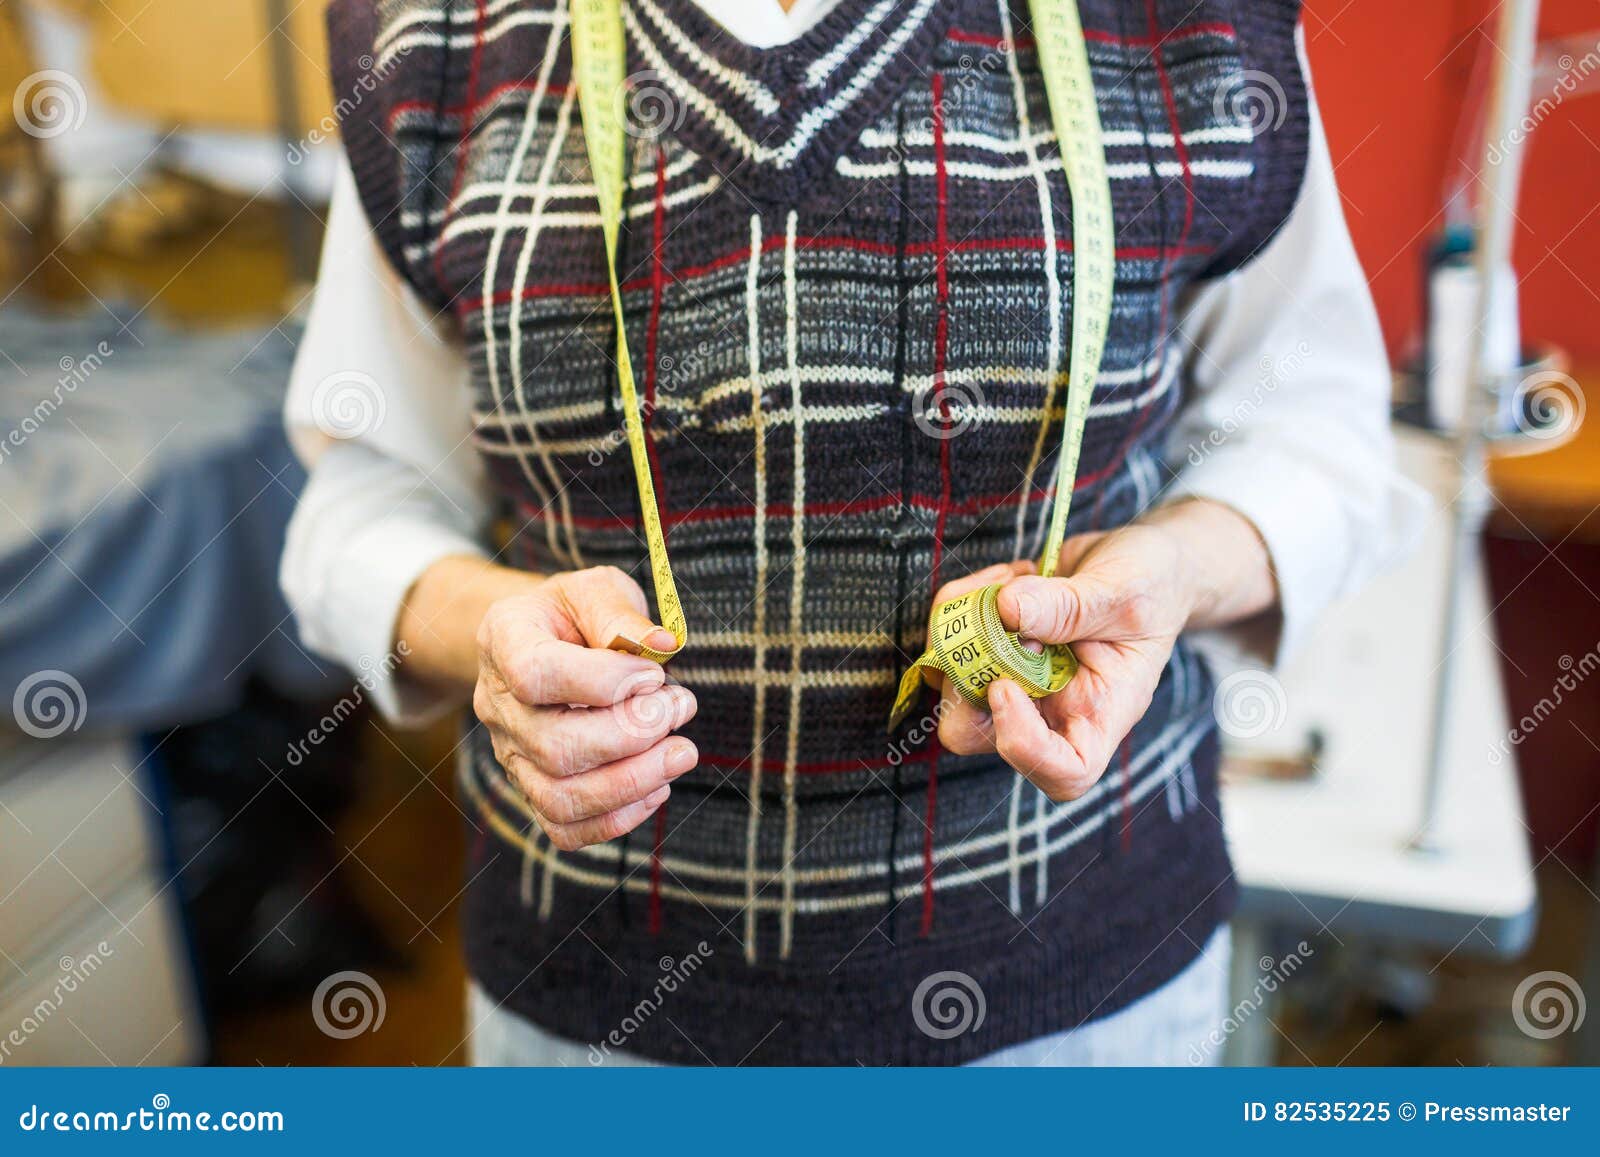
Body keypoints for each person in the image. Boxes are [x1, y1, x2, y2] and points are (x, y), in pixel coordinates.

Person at [283, 0, 1422, 1065]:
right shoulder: (434, 40)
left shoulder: (1187, 25)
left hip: (1078, 1003)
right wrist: (486, 628)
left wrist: (1178, 566)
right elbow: (357, 504)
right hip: (599, 1016)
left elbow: (1313, 431)